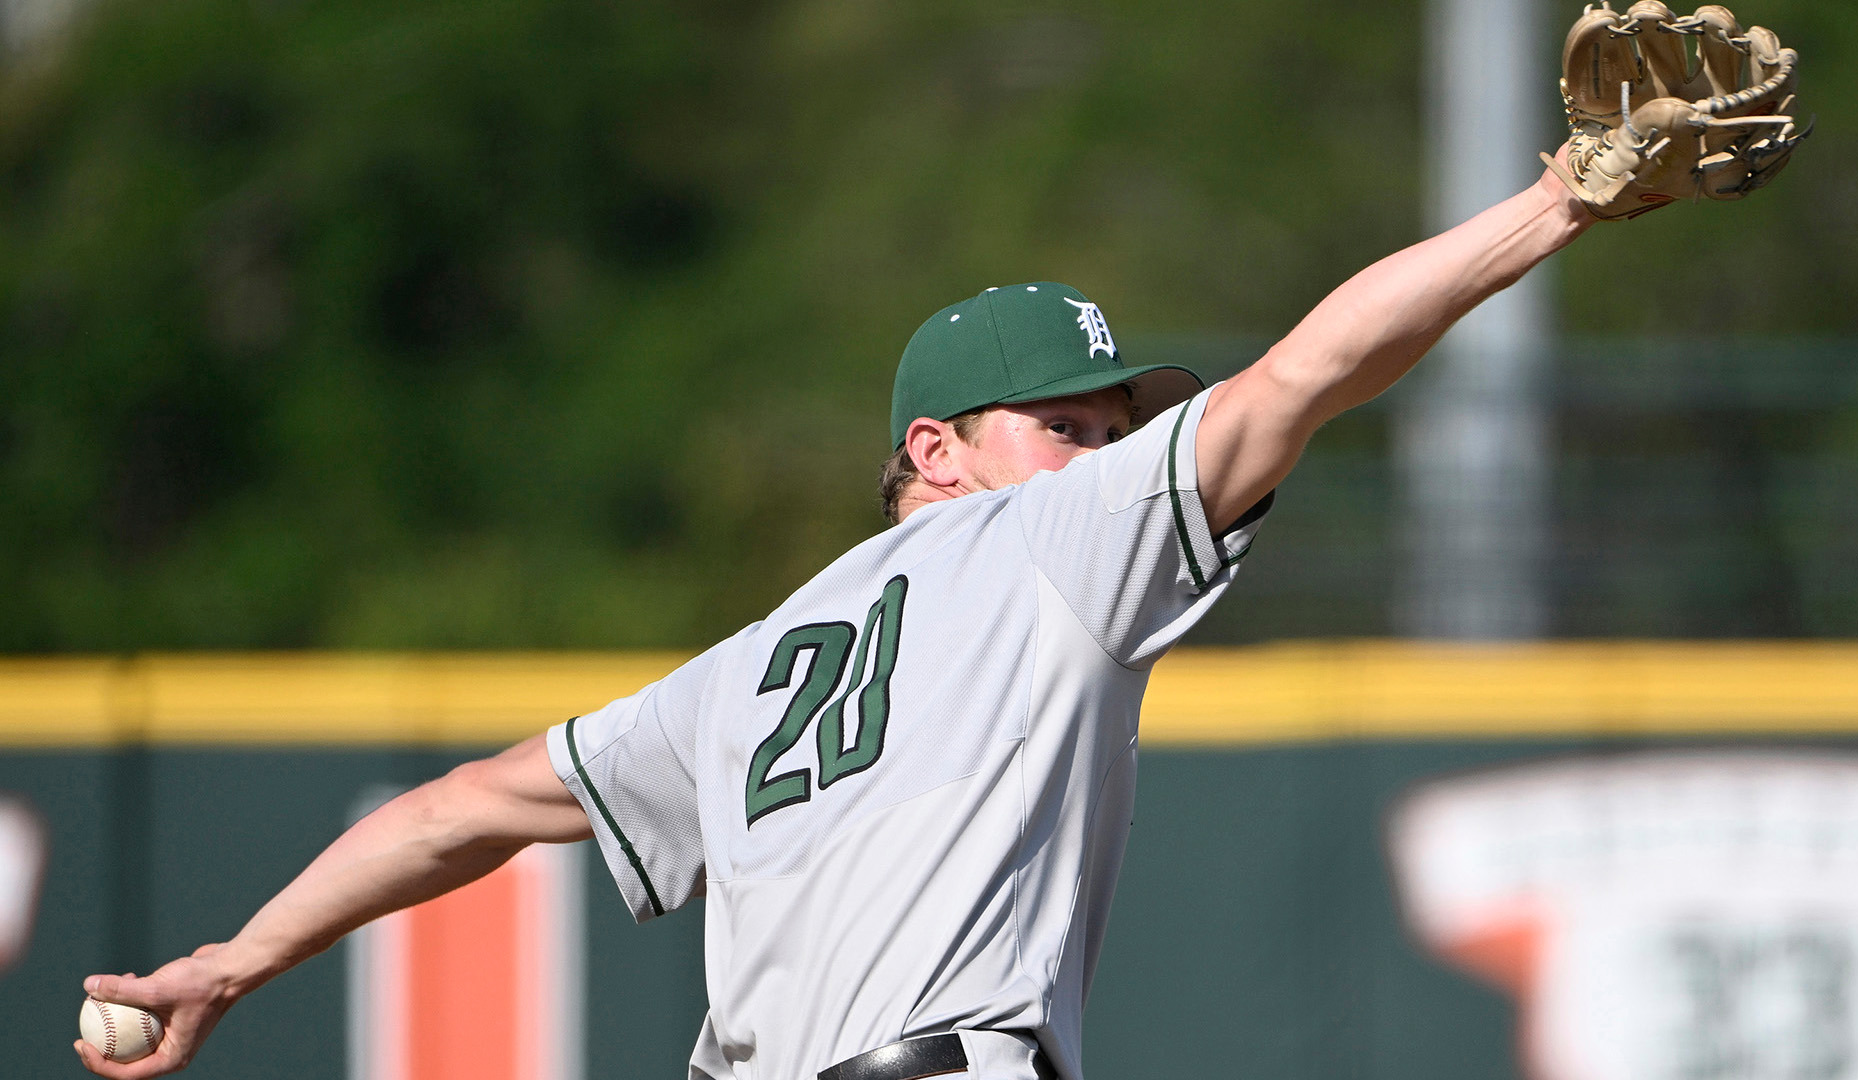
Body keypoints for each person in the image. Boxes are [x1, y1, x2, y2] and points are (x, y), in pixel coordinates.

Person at [77, 152, 1593, 1080]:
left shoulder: (739, 676)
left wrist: (236, 959)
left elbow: (456, 807)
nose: (1105, 454)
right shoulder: (1052, 540)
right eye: (1064, 424)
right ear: (939, 449)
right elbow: (1307, 372)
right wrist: (1554, 203)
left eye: (1113, 426)